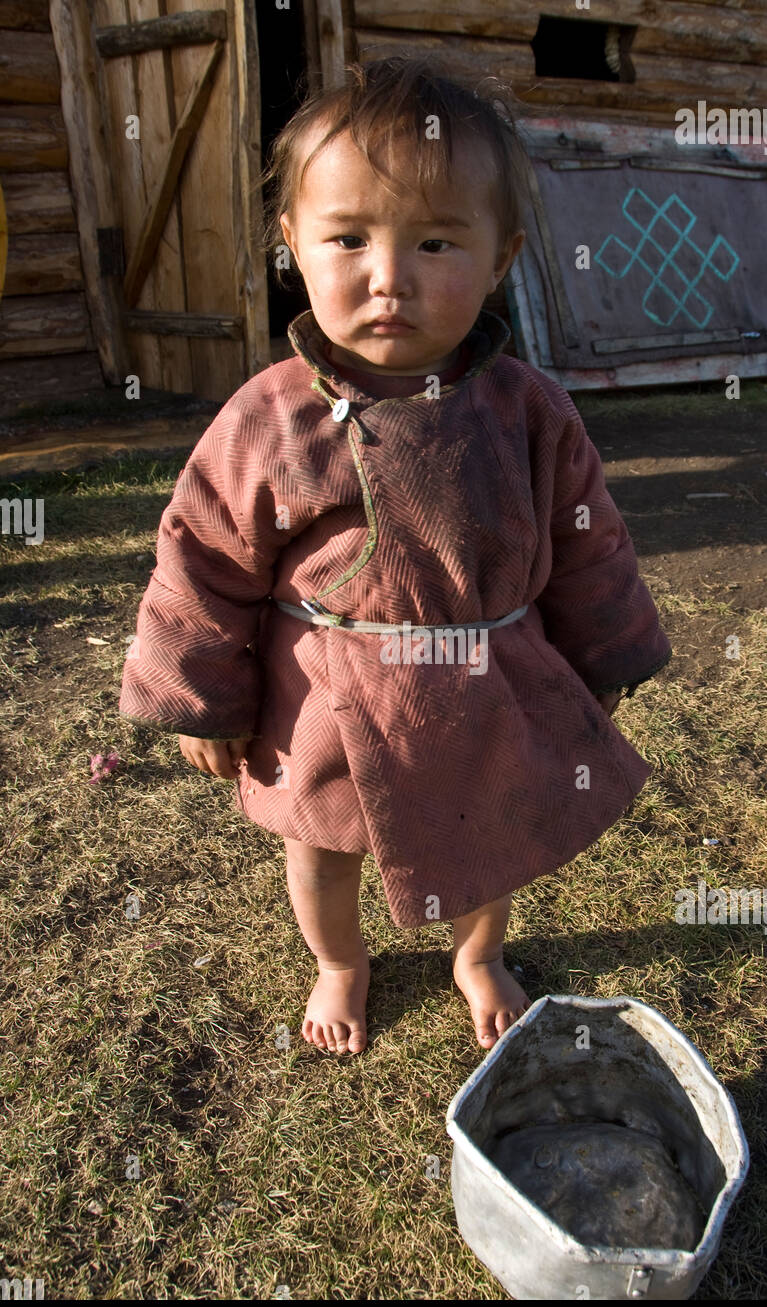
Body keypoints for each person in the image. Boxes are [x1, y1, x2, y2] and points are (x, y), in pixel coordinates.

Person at [119, 57, 671, 1059]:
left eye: (433, 240)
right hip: (327, 691)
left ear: (499, 256)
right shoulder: (269, 416)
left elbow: (591, 540)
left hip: (484, 676)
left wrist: (608, 654)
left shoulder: (529, 411)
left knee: (491, 826)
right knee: (322, 844)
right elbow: (202, 559)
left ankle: (476, 953)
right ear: (292, 244)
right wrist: (199, 696)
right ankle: (339, 960)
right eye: (347, 238)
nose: (389, 276)